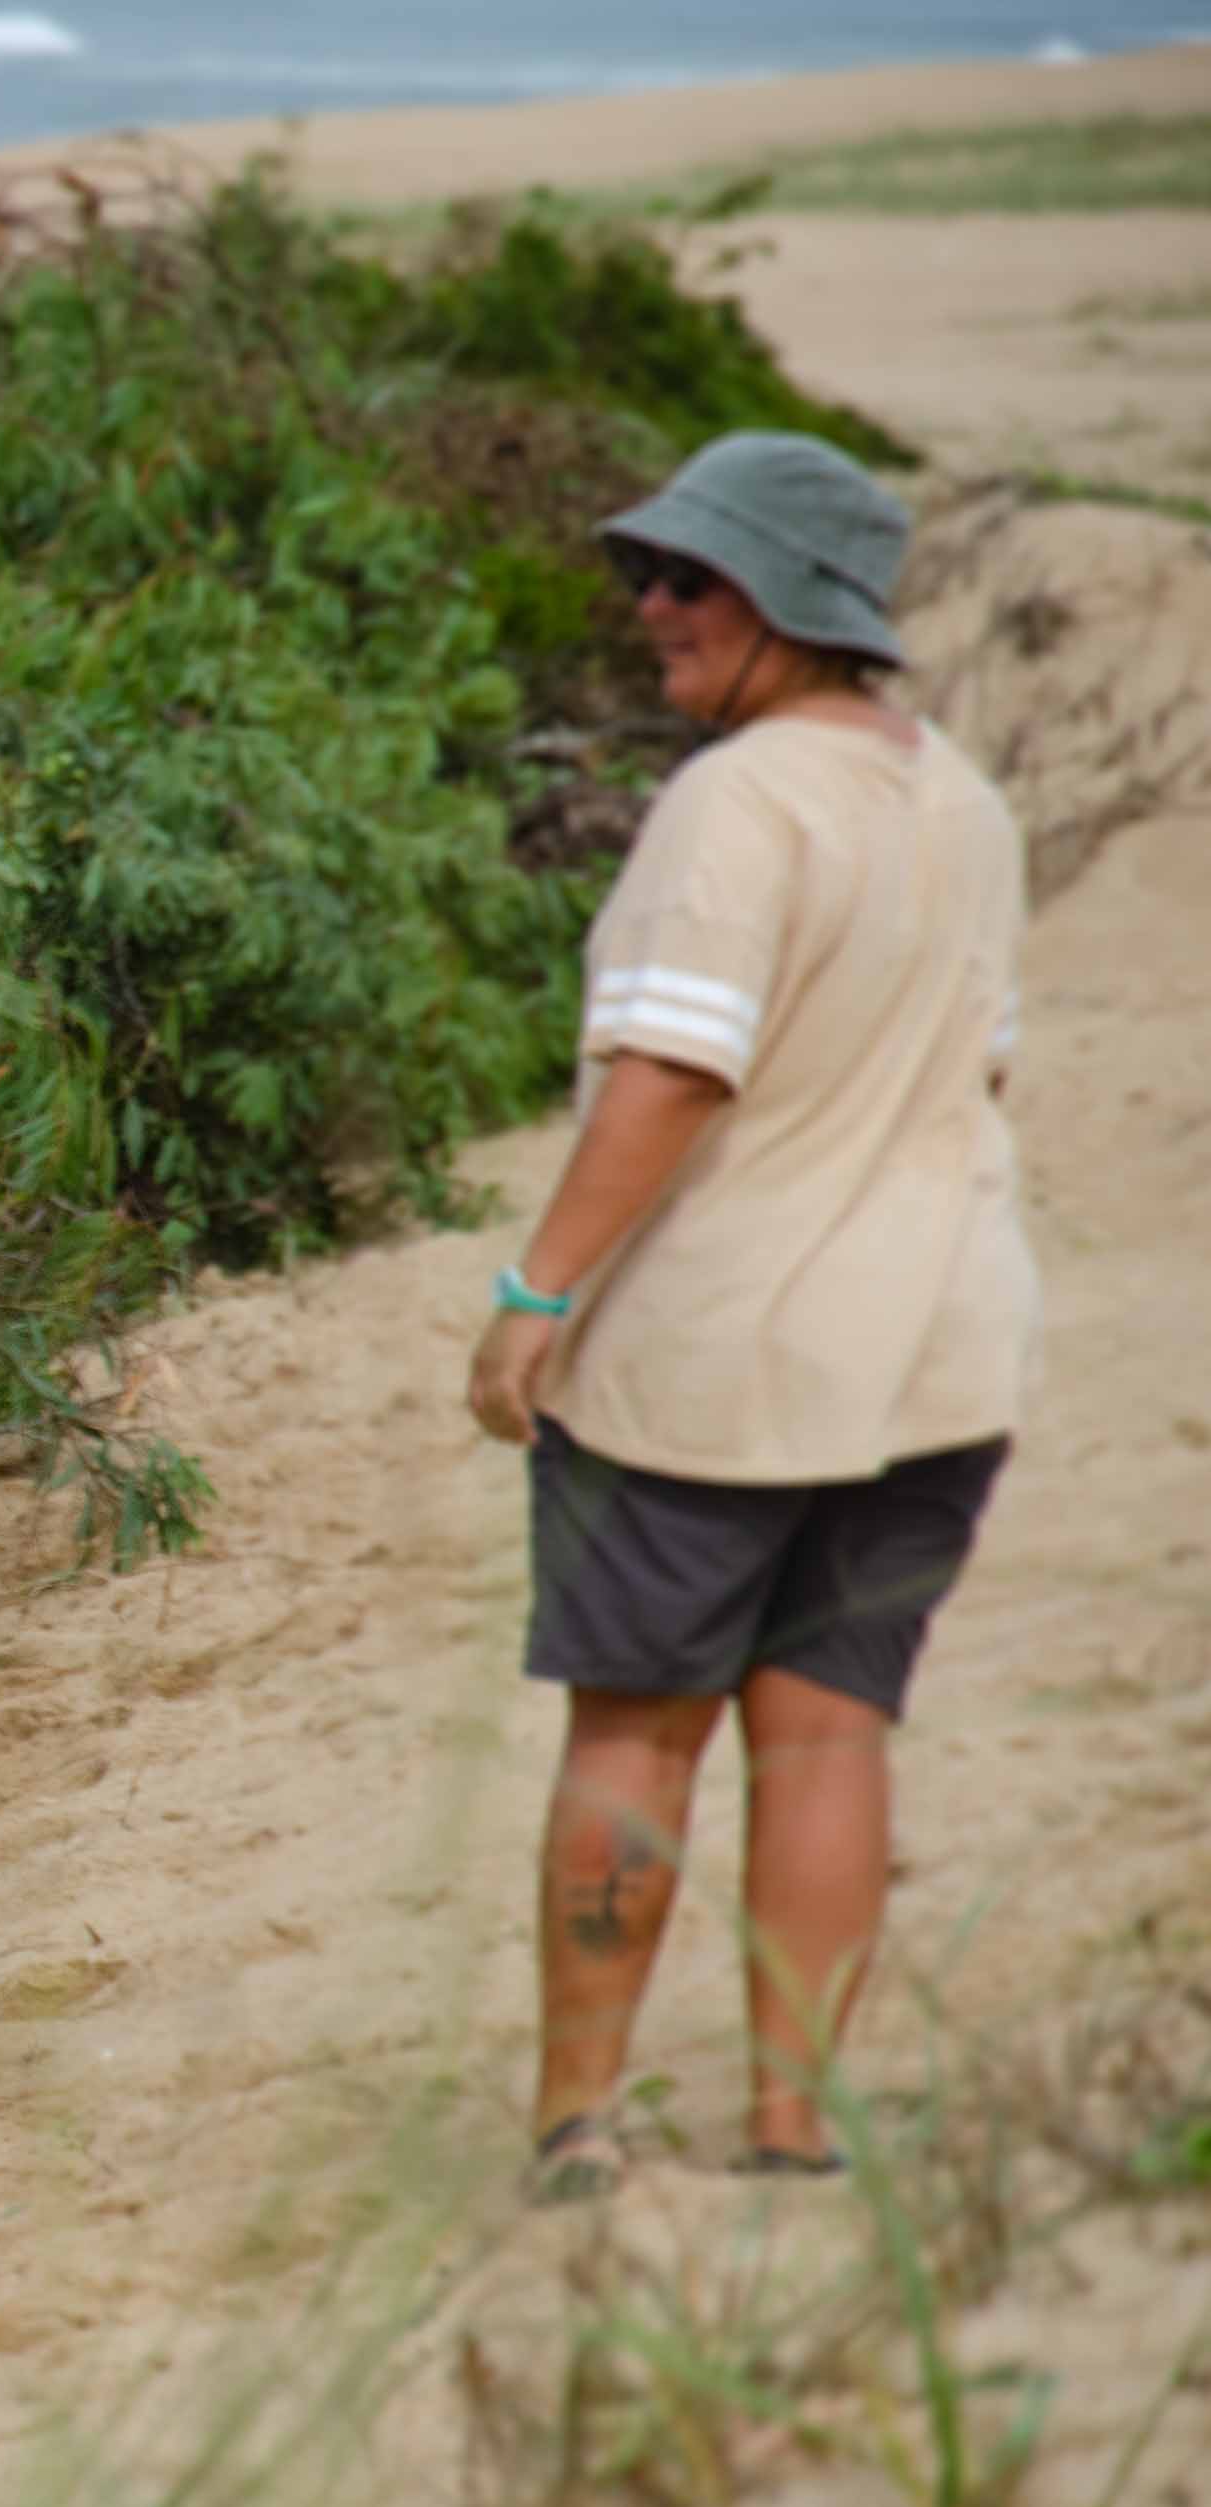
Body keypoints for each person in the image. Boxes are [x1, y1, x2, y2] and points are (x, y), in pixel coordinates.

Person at [464, 434, 1037, 2202]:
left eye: (690, 579)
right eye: (649, 573)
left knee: (635, 1730)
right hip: (941, 1346)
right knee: (832, 1730)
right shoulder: (958, 794)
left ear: (790, 600)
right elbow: (982, 1064)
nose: (651, 610)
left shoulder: (738, 801)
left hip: (716, 1363)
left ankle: (579, 2122)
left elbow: (673, 1073)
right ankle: (794, 2129)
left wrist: (532, 1289)